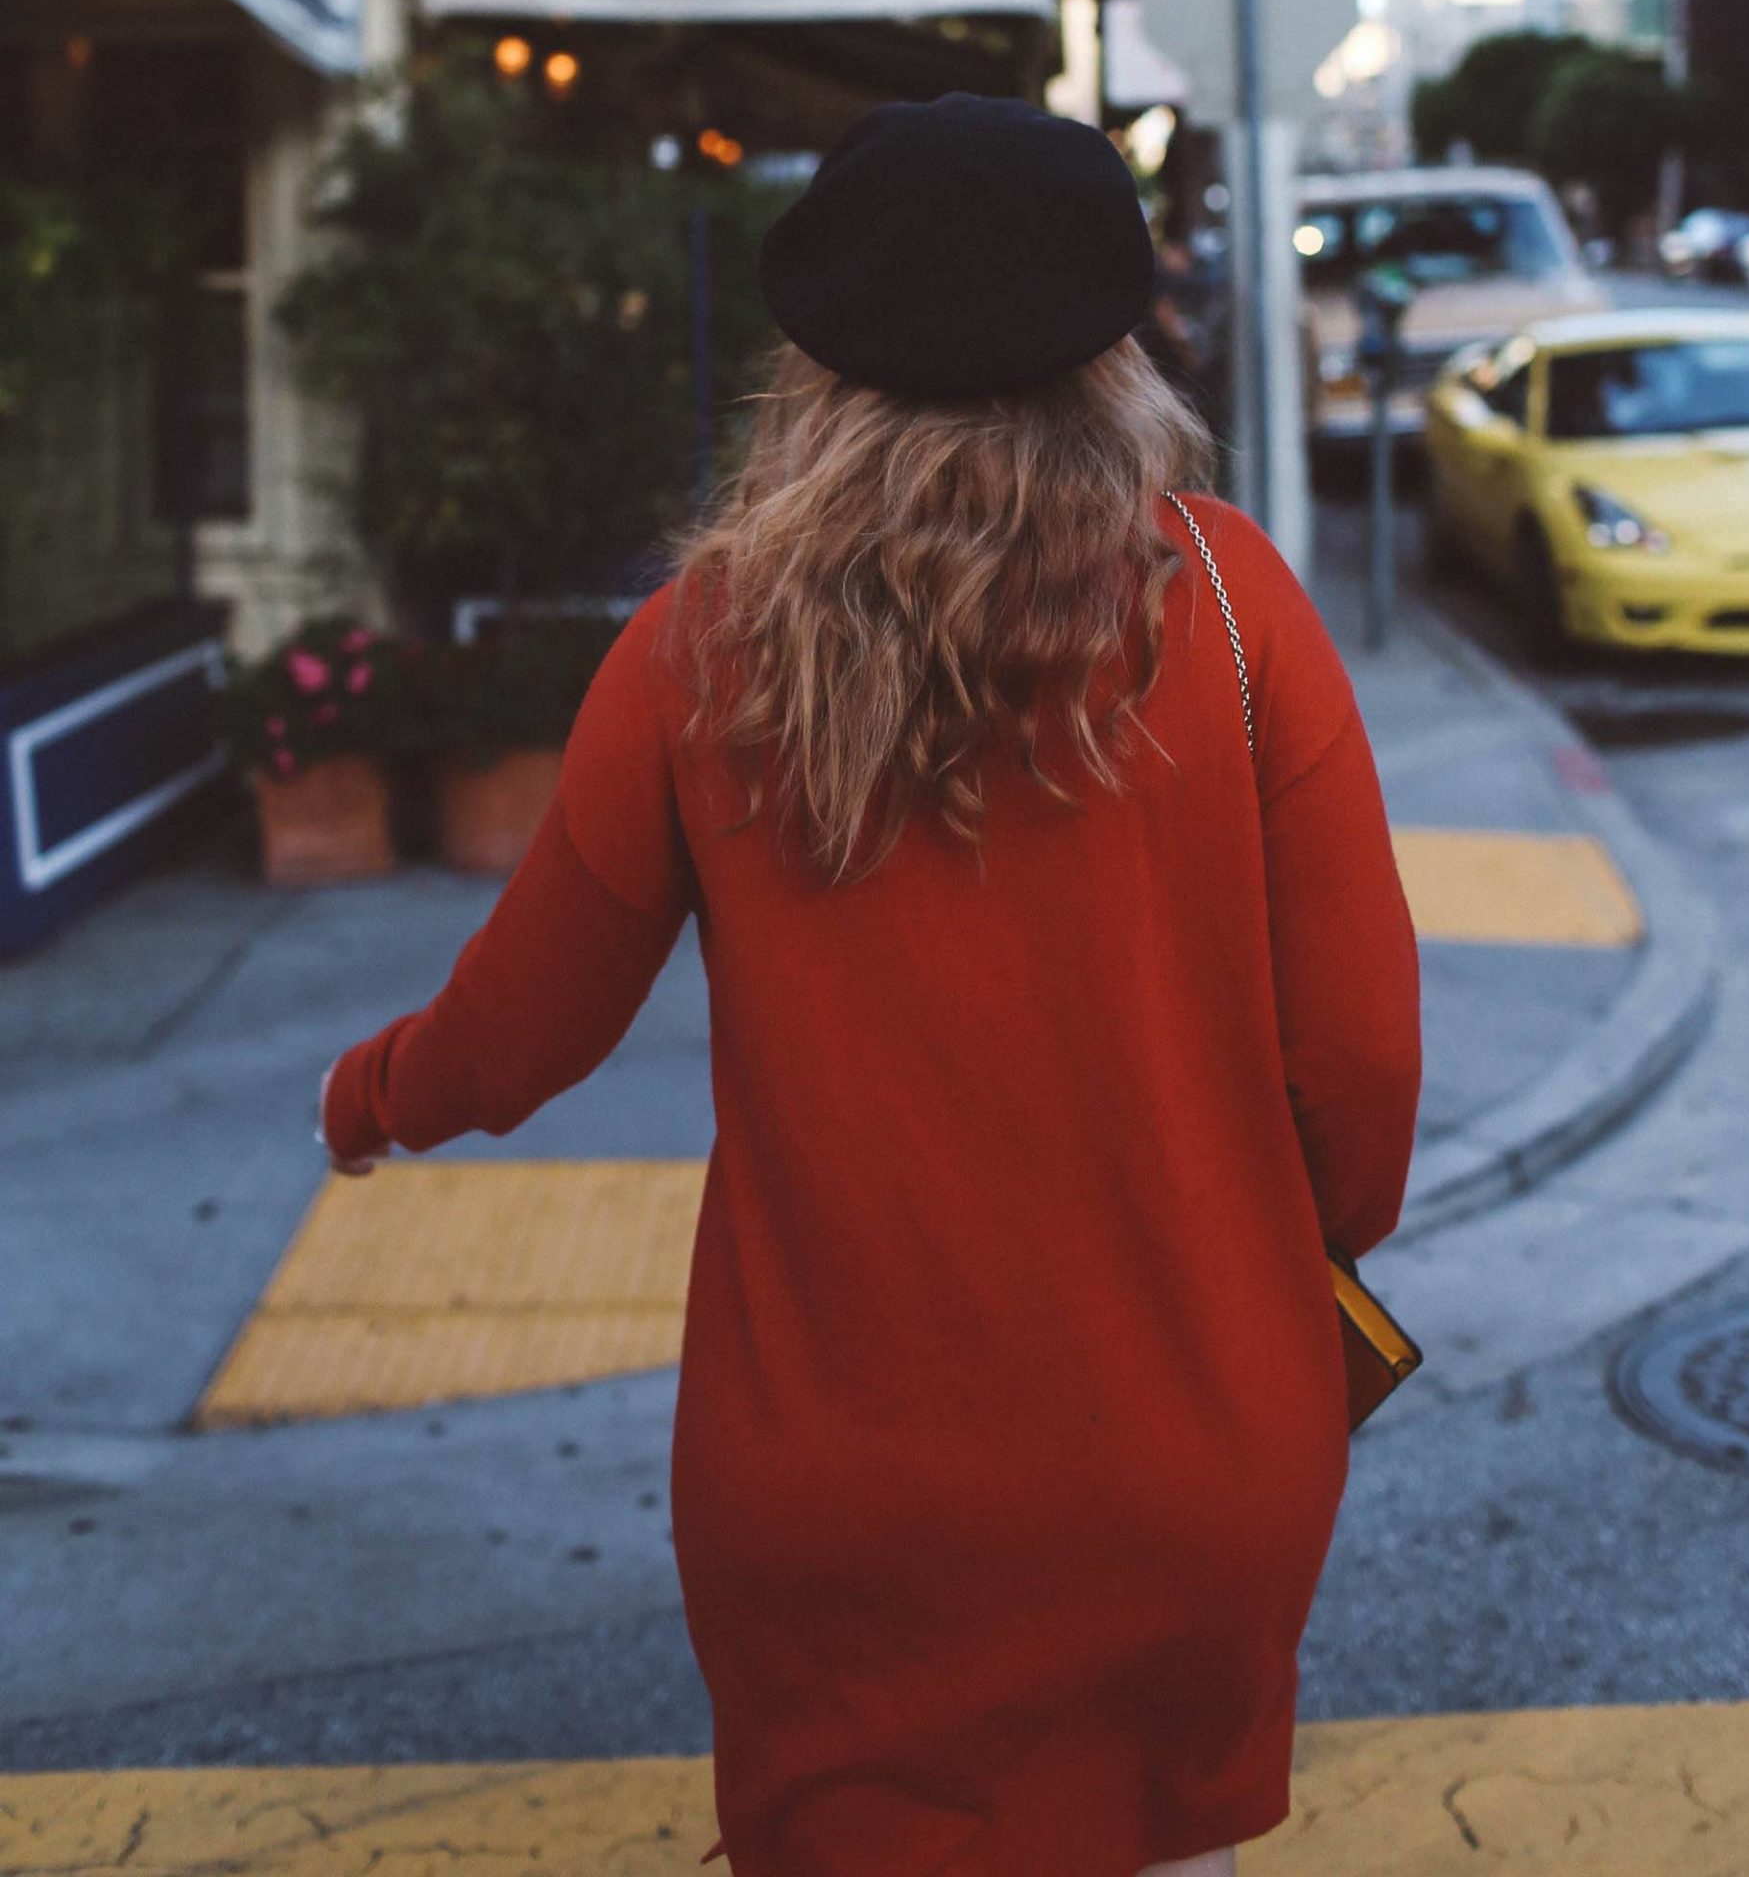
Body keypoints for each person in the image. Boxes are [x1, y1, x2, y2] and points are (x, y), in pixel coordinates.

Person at [321, 92, 1422, 1877]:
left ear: (817, 356)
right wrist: (1284, 1275)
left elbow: (524, 1027)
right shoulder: (1235, 611)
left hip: (834, 1496)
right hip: (1197, 1461)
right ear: (1123, 339)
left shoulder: (701, 648)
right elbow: (1362, 1059)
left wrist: (374, 1096)